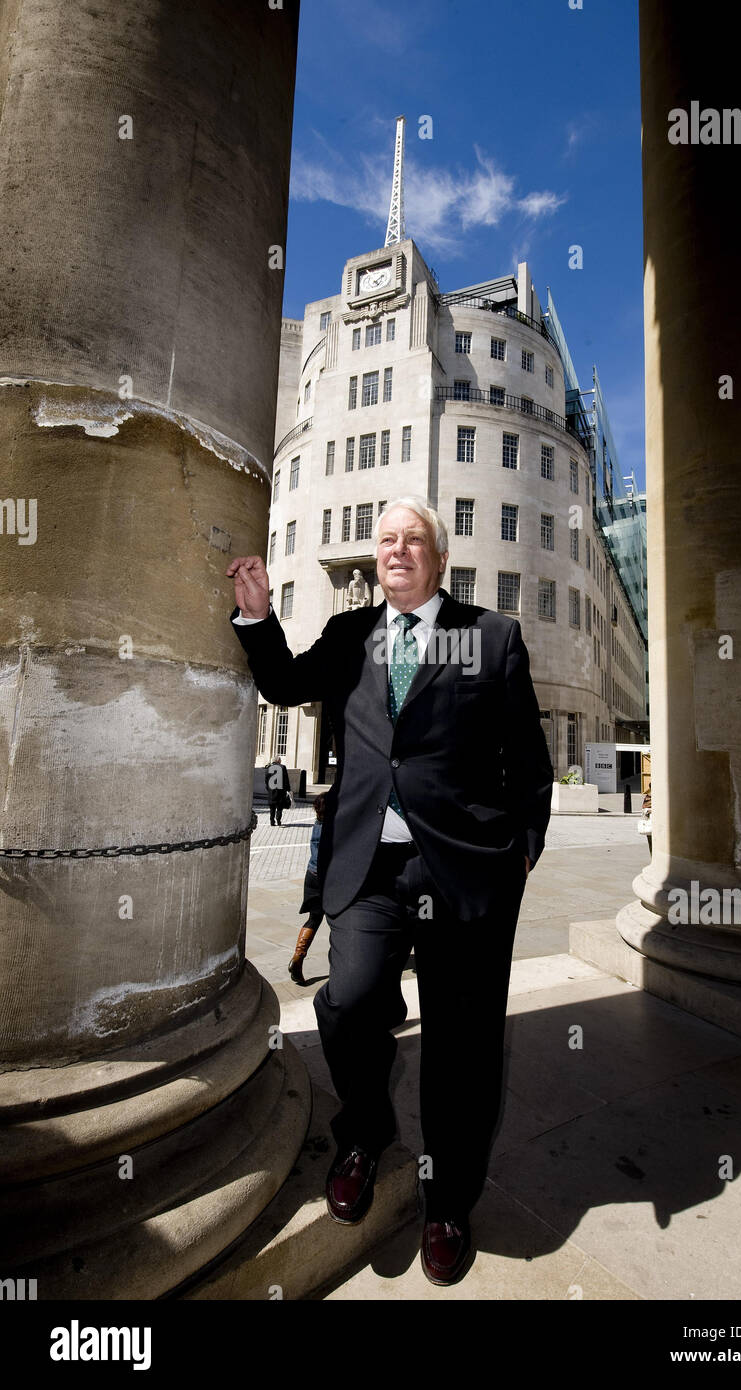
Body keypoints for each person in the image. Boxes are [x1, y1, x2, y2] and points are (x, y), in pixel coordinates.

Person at [227, 496, 552, 1286]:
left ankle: (447, 1201)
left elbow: (529, 765)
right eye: (385, 541)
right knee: (349, 1002)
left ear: (438, 559)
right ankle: (364, 1134)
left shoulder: (491, 636)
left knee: (464, 1045)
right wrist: (256, 618)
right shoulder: (348, 637)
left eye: (412, 541)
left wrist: (518, 855)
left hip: (465, 872)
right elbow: (281, 682)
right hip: (370, 867)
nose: (396, 551)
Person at [289, 794, 326, 984]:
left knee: (314, 918)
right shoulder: (333, 828)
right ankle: (340, 964)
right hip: (327, 879)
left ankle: (298, 956)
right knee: (339, 922)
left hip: (311, 875)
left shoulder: (317, 824)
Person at [264, 755, 291, 826]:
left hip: (271, 789)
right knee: (279, 806)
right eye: (280, 760)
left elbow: (266, 779)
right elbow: (286, 779)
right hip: (280, 790)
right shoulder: (283, 767)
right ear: (278, 761)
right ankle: (278, 820)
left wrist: (268, 788)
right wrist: (288, 789)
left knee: (272, 806)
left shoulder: (268, 768)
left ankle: (272, 821)